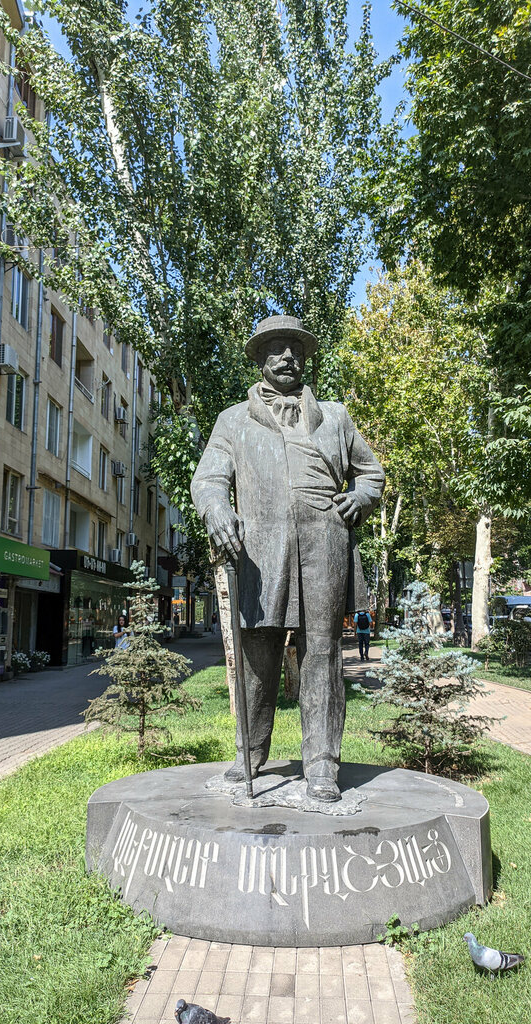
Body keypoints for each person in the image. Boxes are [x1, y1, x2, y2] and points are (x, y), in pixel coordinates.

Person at [191, 314, 385, 802]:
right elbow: (209, 479)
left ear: (306, 358)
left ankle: (322, 766)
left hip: (325, 546)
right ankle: (250, 754)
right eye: (275, 348)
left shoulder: (335, 416)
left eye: (295, 349)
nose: (286, 357)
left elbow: (371, 473)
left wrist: (359, 499)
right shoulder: (233, 420)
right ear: (258, 358)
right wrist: (217, 512)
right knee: (259, 656)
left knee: (322, 656)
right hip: (260, 553)